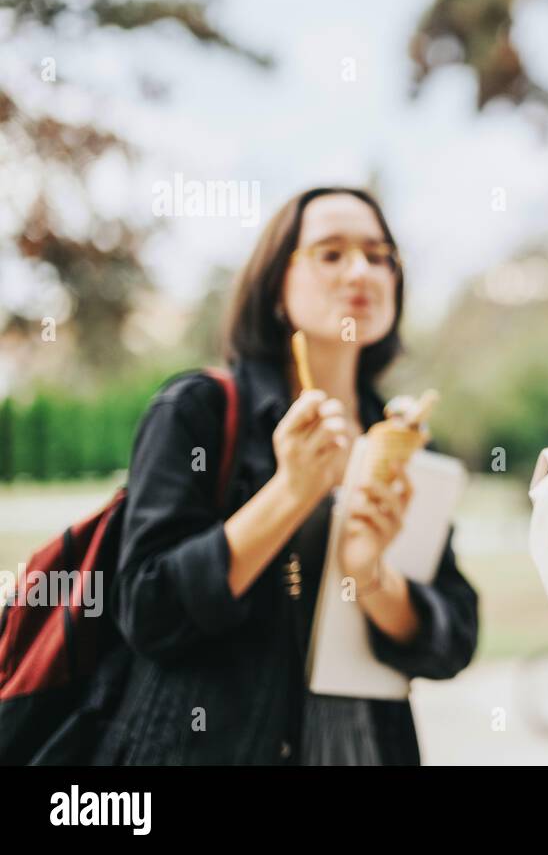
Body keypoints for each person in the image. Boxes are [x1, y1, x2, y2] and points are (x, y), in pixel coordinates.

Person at [93, 187, 478, 764]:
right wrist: (291, 494)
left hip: (365, 746)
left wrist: (370, 574)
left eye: (379, 256)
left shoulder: (399, 435)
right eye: (330, 253)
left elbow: (454, 637)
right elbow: (148, 610)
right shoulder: (196, 410)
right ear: (276, 283)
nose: (361, 271)